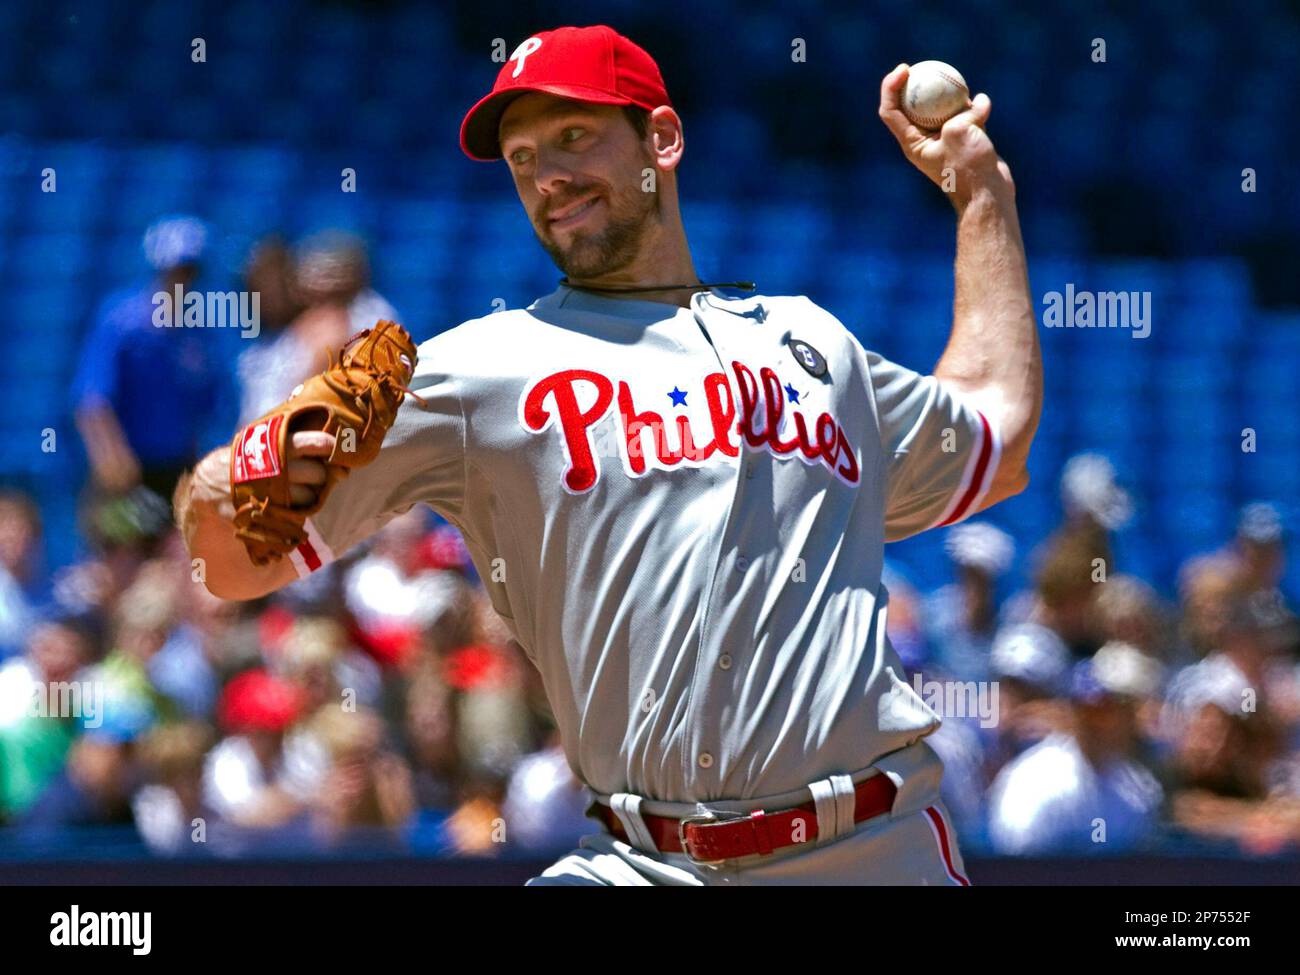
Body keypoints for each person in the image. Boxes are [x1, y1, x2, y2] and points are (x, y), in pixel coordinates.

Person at [177, 25, 1041, 884]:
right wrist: (264, 454)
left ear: (661, 139)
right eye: (521, 158)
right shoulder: (479, 371)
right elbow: (227, 556)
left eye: (574, 136)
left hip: (871, 851)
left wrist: (981, 199)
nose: (546, 174)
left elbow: (994, 437)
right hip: (641, 859)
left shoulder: (811, 344)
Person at [71, 216, 223, 502]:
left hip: (177, 466)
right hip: (128, 466)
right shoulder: (121, 321)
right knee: (124, 543)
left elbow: (203, 403)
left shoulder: (199, 331)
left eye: (190, 272)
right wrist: (111, 459)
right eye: (176, 270)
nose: (182, 280)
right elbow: (92, 401)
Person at [986, 646, 1165, 855]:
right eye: (1096, 709)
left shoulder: (1135, 788)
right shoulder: (1034, 779)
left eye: (1122, 708)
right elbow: (1016, 868)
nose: (1103, 720)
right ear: (1078, 712)